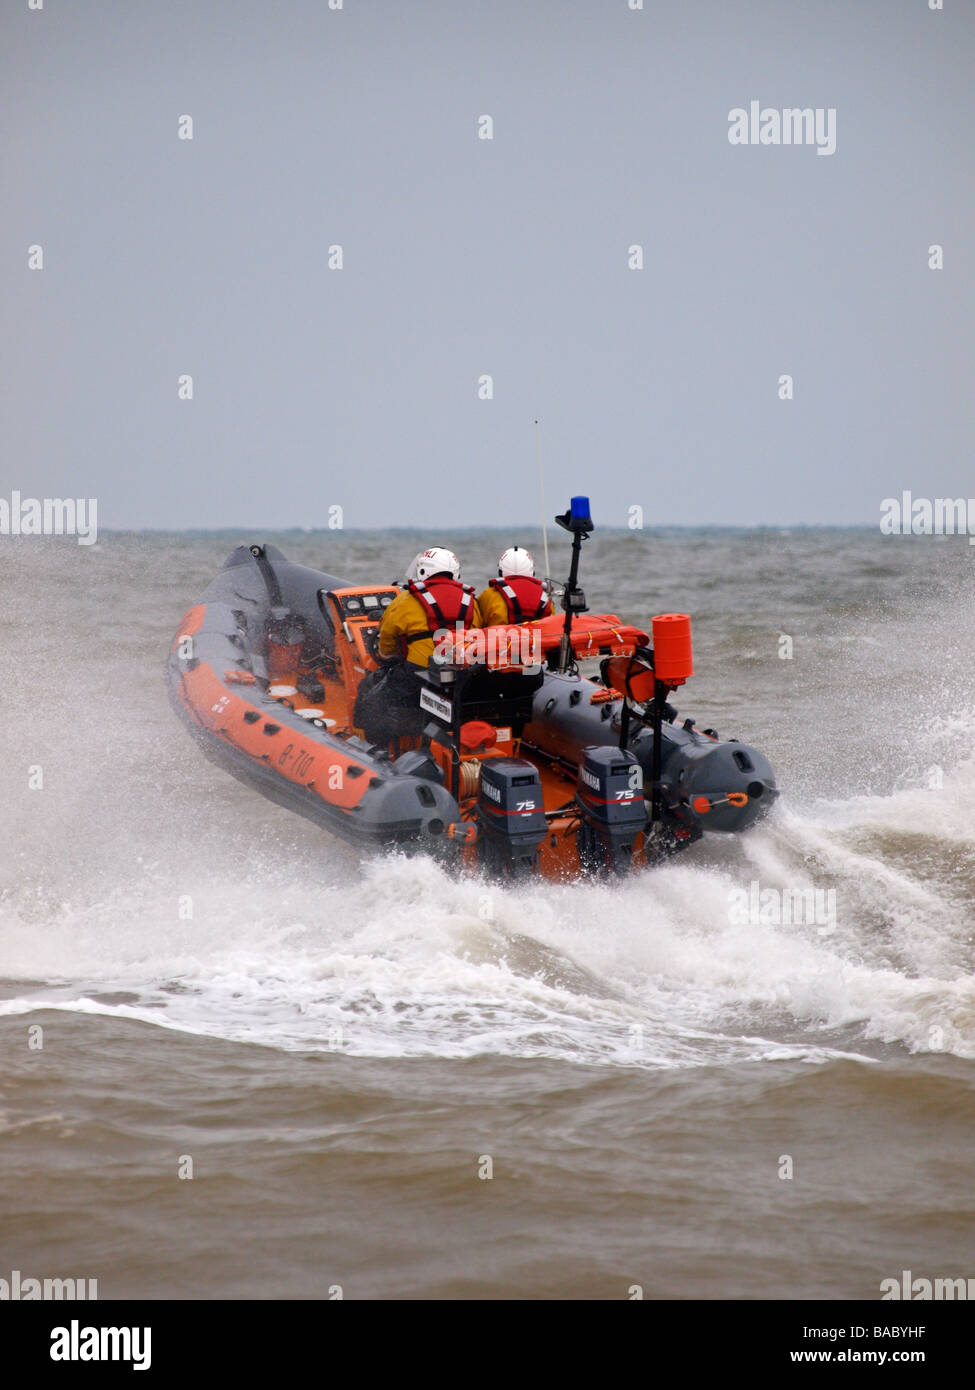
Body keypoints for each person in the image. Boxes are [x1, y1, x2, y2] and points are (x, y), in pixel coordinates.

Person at [354, 547, 482, 744]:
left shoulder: (407, 599)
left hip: (417, 676)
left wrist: (387, 656)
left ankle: (376, 749)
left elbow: (386, 641)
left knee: (371, 695)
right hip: (461, 678)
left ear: (423, 571)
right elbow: (479, 634)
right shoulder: (471, 600)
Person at [477, 546, 553, 626]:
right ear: (532, 571)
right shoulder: (546, 597)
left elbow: (476, 625)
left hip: (500, 637)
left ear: (500, 572)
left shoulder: (489, 595)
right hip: (540, 637)